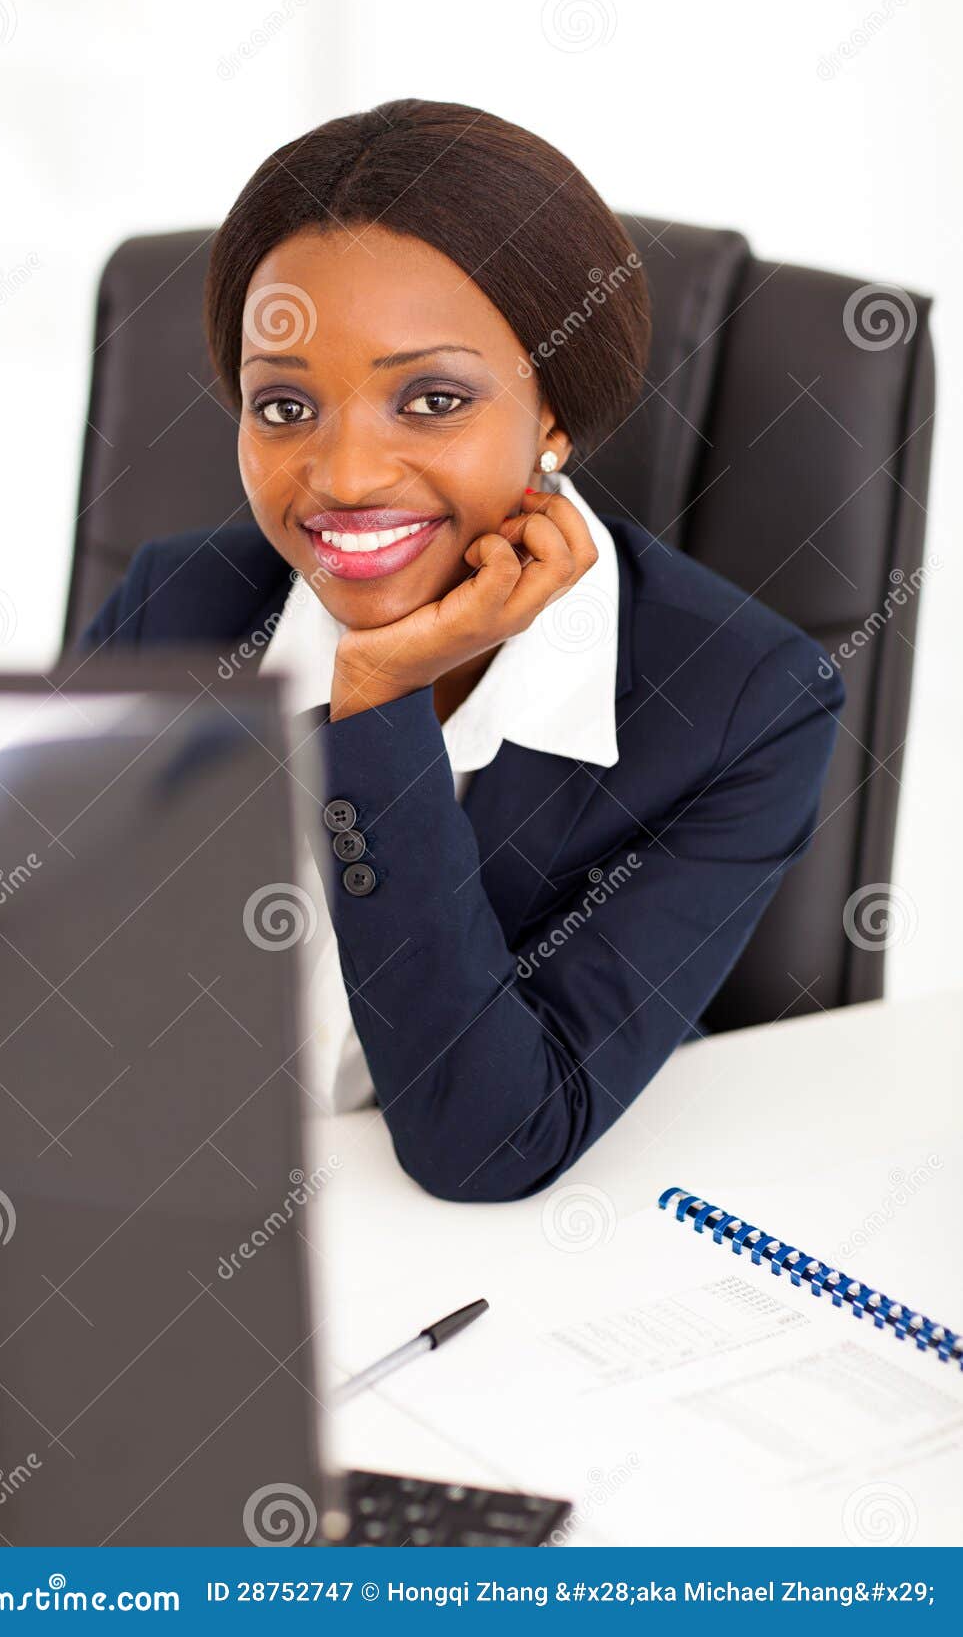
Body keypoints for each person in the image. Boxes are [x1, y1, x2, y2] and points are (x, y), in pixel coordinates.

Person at [78, 98, 845, 1201]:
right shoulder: (178, 603)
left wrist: (378, 701)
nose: (345, 476)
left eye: (431, 398)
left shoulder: (742, 705)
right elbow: (13, 969)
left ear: (553, 415)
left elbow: (489, 1144)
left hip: (465, 1265)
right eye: (284, 406)